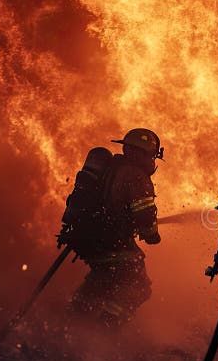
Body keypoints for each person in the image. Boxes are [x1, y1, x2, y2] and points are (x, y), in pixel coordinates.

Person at [63, 128, 163, 328]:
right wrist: (152, 234)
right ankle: (105, 327)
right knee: (139, 288)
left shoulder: (110, 168)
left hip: (89, 242)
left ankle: (75, 316)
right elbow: (144, 215)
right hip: (115, 246)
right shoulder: (137, 176)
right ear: (147, 154)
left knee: (102, 279)